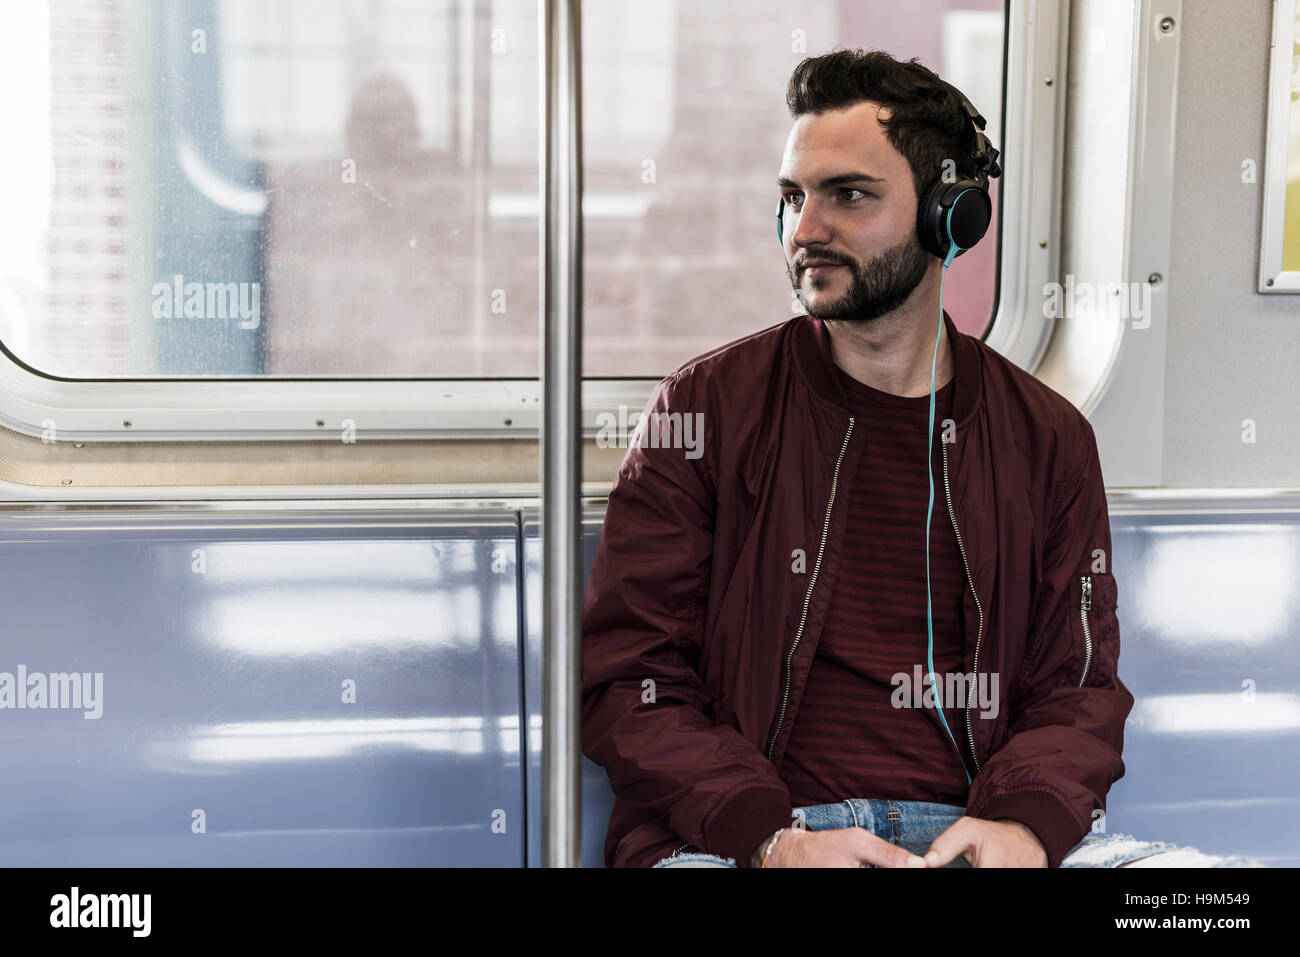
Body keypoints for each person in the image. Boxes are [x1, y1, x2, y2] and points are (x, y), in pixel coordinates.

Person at [580, 48, 1262, 869]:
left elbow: (1075, 688)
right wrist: (769, 837)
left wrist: (1024, 827)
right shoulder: (705, 409)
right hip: (753, 839)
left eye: (849, 195)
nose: (805, 229)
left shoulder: (1047, 437)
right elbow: (630, 679)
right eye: (793, 197)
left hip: (971, 831)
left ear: (951, 216)